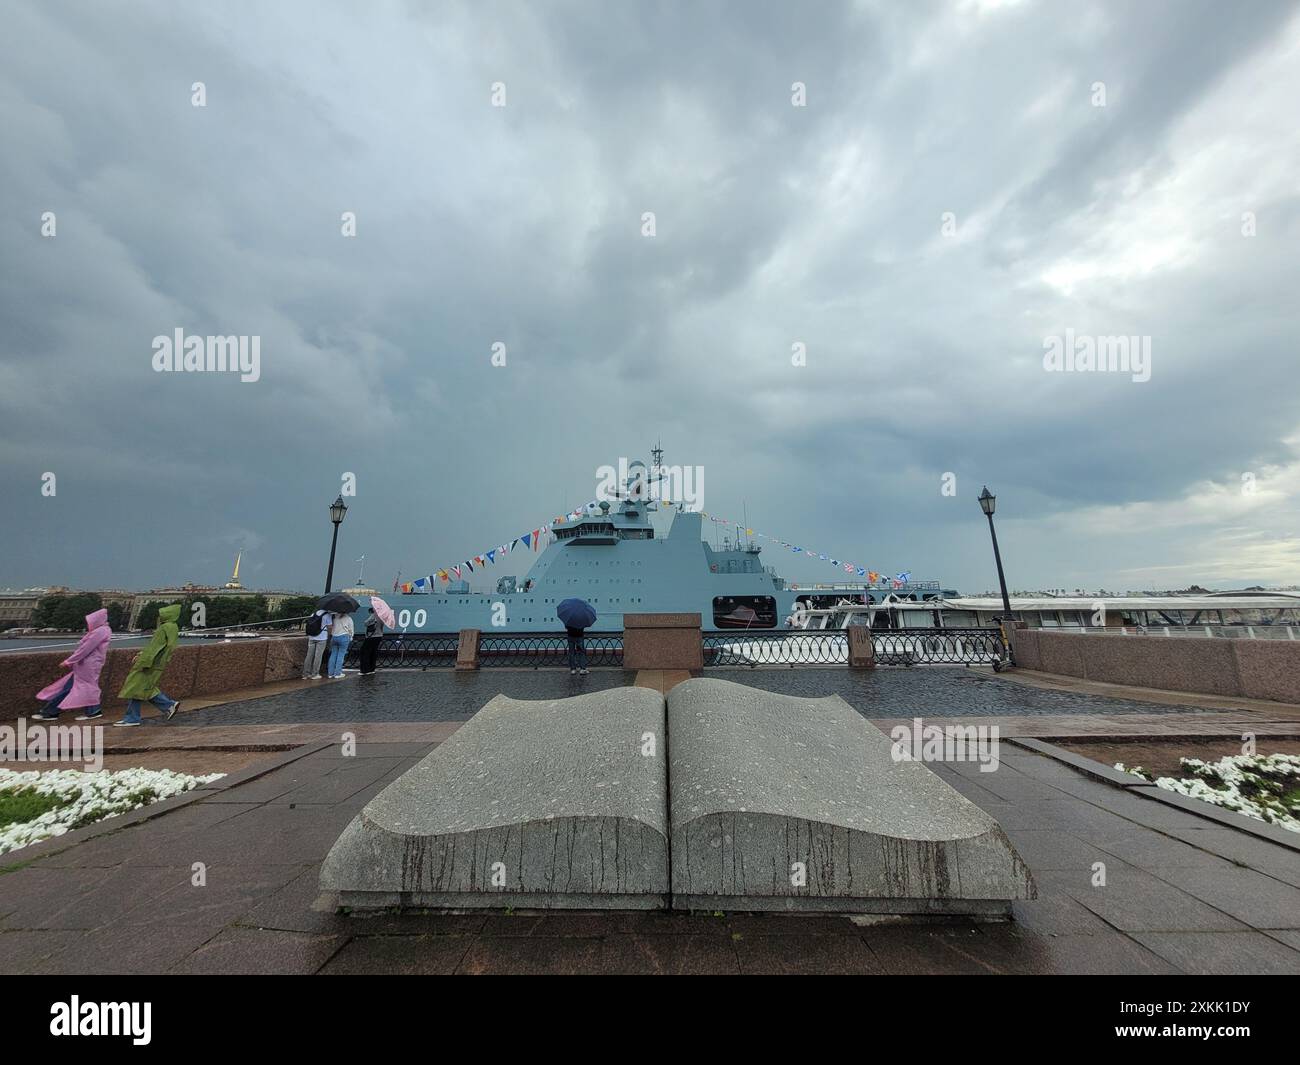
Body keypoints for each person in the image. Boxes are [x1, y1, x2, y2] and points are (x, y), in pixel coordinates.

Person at [33, 608, 112, 721]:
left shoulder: (99, 631)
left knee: (74, 687)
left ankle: (50, 712)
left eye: (90, 621)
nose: (89, 624)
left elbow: (85, 649)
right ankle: (93, 711)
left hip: (88, 665)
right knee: (84, 687)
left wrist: (69, 661)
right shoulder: (104, 630)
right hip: (90, 664)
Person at [115, 603, 182, 726]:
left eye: (161, 615)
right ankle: (168, 705)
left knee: (135, 687)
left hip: (150, 663)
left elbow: (155, 646)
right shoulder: (173, 627)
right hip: (159, 663)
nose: (159, 617)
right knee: (143, 688)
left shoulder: (163, 628)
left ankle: (133, 718)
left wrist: (142, 659)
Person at [302, 609, 332, 679]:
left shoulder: (313, 614)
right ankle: (315, 674)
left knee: (309, 656)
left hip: (311, 637)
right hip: (321, 638)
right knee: (318, 656)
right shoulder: (328, 615)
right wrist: (330, 634)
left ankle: (305, 674)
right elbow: (329, 627)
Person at [327, 609, 354, 678]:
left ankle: (330, 673)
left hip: (334, 637)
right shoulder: (348, 618)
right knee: (341, 655)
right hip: (344, 637)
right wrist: (351, 637)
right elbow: (351, 629)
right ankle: (337, 673)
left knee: (333, 654)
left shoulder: (334, 618)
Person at [358, 610, 384, 675]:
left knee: (365, 652)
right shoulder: (381, 616)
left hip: (371, 636)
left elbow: (366, 623)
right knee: (373, 652)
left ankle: (364, 670)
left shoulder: (374, 615)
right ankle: (372, 669)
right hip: (379, 636)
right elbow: (381, 626)